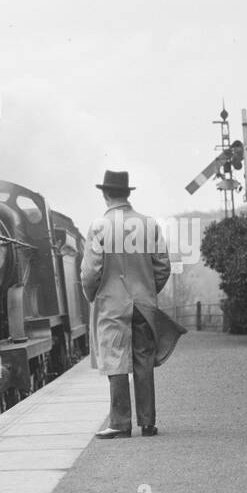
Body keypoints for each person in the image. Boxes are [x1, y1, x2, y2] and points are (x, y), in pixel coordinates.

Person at [80, 170, 185, 438]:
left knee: (115, 360)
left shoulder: (99, 227)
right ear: (127, 194)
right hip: (144, 303)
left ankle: (120, 423)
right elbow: (162, 267)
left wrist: (95, 296)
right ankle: (148, 423)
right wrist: (148, 291)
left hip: (111, 304)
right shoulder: (149, 225)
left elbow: (91, 272)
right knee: (143, 359)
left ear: (104, 194)